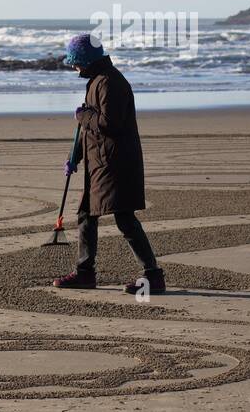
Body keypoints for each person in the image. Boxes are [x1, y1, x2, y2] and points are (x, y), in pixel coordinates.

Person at [52, 34, 165, 295]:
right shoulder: (97, 81)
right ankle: (85, 273)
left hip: (116, 164)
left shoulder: (110, 83)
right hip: (102, 163)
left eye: (76, 62)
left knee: (124, 217)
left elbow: (108, 124)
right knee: (87, 214)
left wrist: (83, 115)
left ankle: (153, 276)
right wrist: (75, 157)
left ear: (88, 60)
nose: (73, 67)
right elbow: (90, 131)